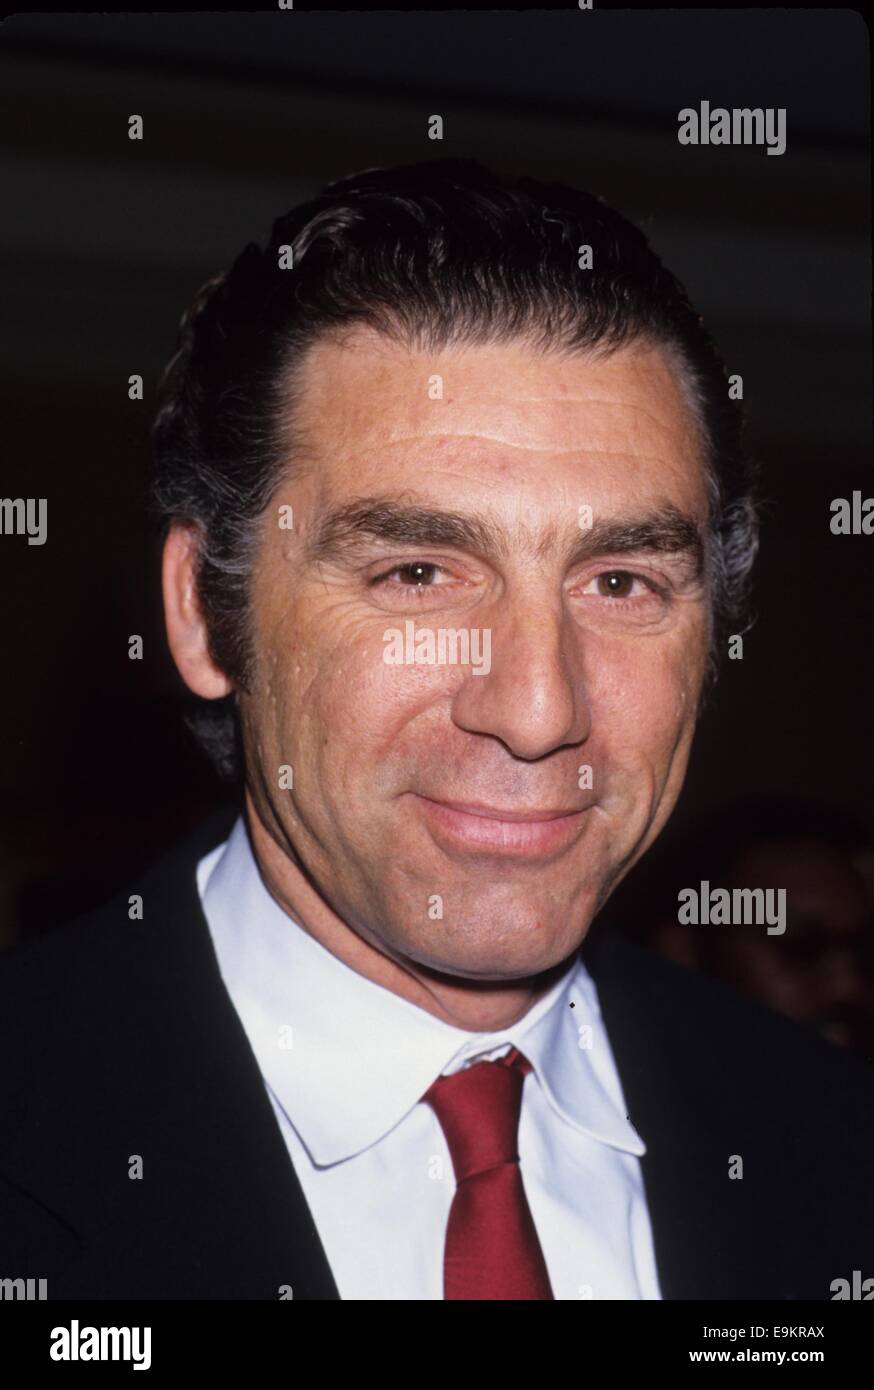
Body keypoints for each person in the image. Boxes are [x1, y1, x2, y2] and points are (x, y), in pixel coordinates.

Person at [1, 159, 871, 1301]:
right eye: (419, 571)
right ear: (204, 613)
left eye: (619, 581)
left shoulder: (833, 1144)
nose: (537, 709)